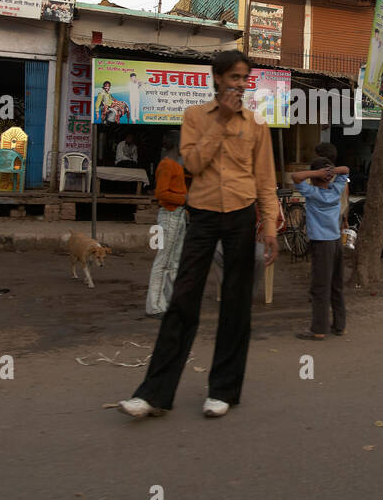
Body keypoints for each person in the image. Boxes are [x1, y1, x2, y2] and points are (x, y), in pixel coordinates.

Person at [118, 49, 279, 420]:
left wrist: (269, 227)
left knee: (236, 304)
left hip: (241, 216)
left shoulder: (256, 124)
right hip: (202, 217)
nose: (240, 85)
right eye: (234, 77)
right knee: (183, 300)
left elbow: (266, 182)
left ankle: (223, 390)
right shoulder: (194, 117)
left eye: (244, 78)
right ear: (218, 78)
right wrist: (220, 122)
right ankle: (154, 394)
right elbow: (191, 163)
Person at [290, 156, 350, 340]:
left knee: (320, 288)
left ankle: (318, 329)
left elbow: (295, 176)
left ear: (315, 176)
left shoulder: (311, 192)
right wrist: (330, 172)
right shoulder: (336, 189)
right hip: (335, 243)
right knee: (336, 286)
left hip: (321, 245)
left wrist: (317, 173)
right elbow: (346, 169)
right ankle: (340, 326)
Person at [146, 131, 188, 317]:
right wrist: (184, 198)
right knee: (163, 261)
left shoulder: (175, 165)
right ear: (177, 145)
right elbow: (161, 194)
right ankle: (154, 306)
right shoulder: (166, 165)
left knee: (174, 262)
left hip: (177, 215)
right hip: (169, 215)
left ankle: (170, 303)